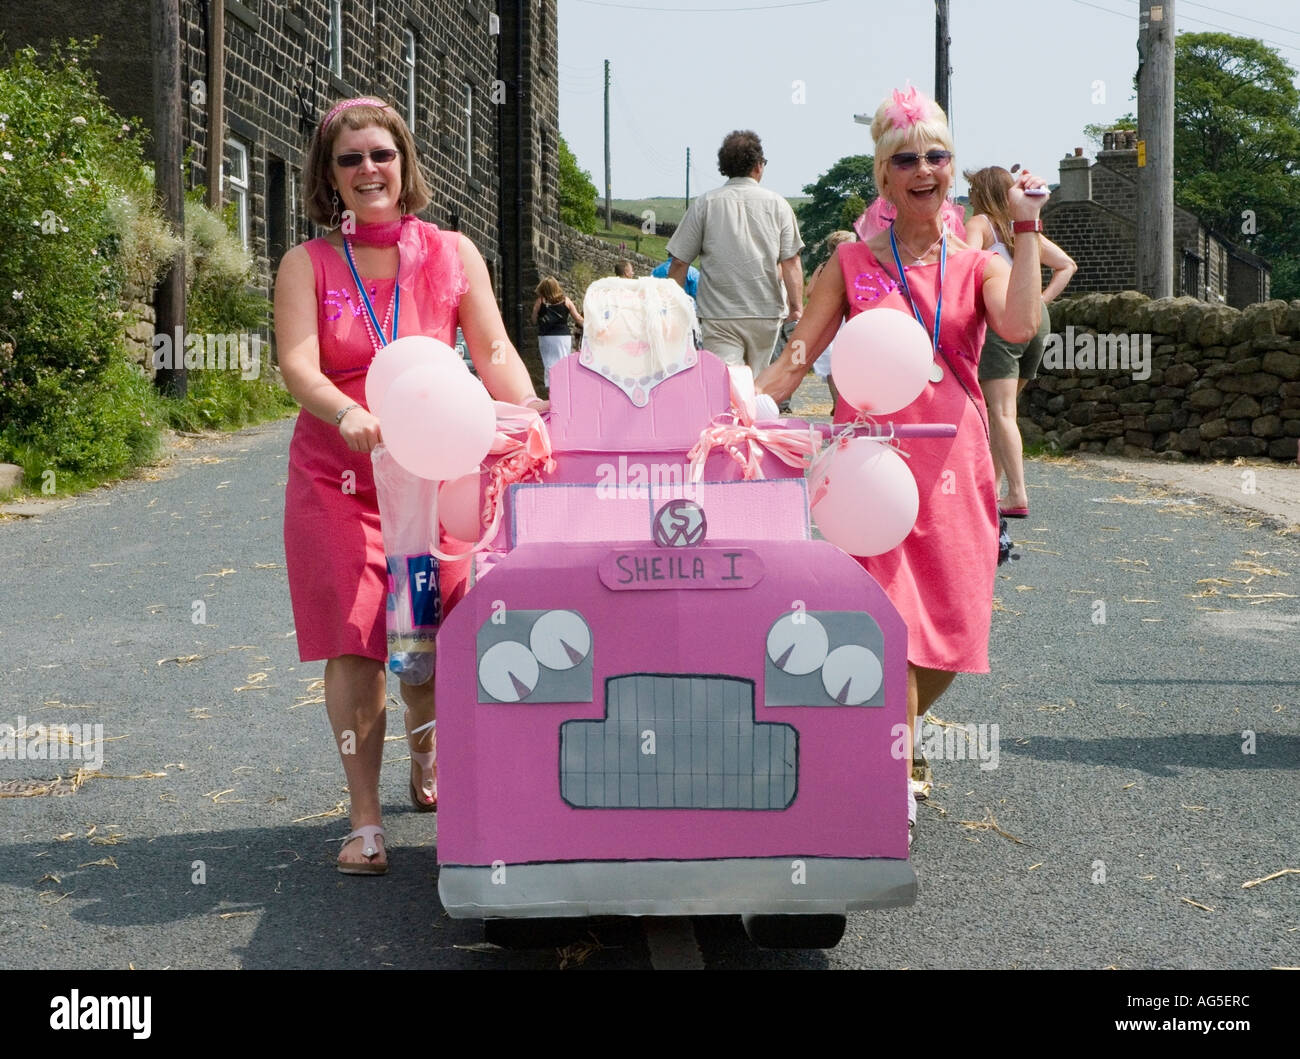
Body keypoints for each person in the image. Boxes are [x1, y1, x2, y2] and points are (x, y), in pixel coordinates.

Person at [756, 87, 1048, 844]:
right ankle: (886, 779)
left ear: (951, 170)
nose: (924, 169)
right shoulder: (851, 261)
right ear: (883, 178)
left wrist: (1024, 228)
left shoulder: (978, 261)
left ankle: (886, 736)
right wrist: (740, 409)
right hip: (867, 474)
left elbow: (1019, 323)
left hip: (954, 471)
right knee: (881, 623)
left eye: (937, 155)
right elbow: (799, 356)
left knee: (951, 627)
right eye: (906, 158)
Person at [274, 96, 542, 874]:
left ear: (405, 162)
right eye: (349, 159)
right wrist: (346, 410)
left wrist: (527, 419)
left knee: (437, 630)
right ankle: (364, 820)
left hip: (440, 472)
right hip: (340, 473)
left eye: (380, 155)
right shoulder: (309, 263)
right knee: (356, 638)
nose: (368, 170)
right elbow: (298, 365)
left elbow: (492, 351)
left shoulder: (452, 252)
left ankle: (429, 761)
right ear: (329, 177)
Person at [964, 166, 1077, 518]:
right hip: (1036, 320)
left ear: (980, 192)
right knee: (1006, 411)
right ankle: (994, 487)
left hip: (1003, 319)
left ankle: (1017, 493)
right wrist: (1039, 302)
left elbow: (964, 267)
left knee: (1000, 412)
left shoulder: (980, 224)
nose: (968, 197)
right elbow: (1067, 265)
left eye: (971, 191)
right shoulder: (1020, 230)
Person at [666, 130, 804, 376]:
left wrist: (672, 307)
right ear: (759, 166)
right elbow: (791, 261)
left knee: (727, 384)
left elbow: (679, 262)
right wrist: (796, 307)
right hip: (766, 312)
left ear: (724, 167)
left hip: (720, 315)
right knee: (759, 384)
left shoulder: (705, 203)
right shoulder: (778, 204)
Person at [805, 230, 858, 409]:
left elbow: (810, 292)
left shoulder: (823, 267)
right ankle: (843, 403)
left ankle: (839, 404)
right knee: (842, 363)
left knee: (834, 363)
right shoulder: (854, 265)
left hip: (832, 318)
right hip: (846, 318)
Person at [531, 277, 583, 387]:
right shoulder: (566, 301)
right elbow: (577, 318)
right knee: (563, 362)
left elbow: (534, 320)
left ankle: (552, 390)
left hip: (546, 336)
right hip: (563, 336)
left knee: (549, 364)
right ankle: (563, 388)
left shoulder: (540, 301)